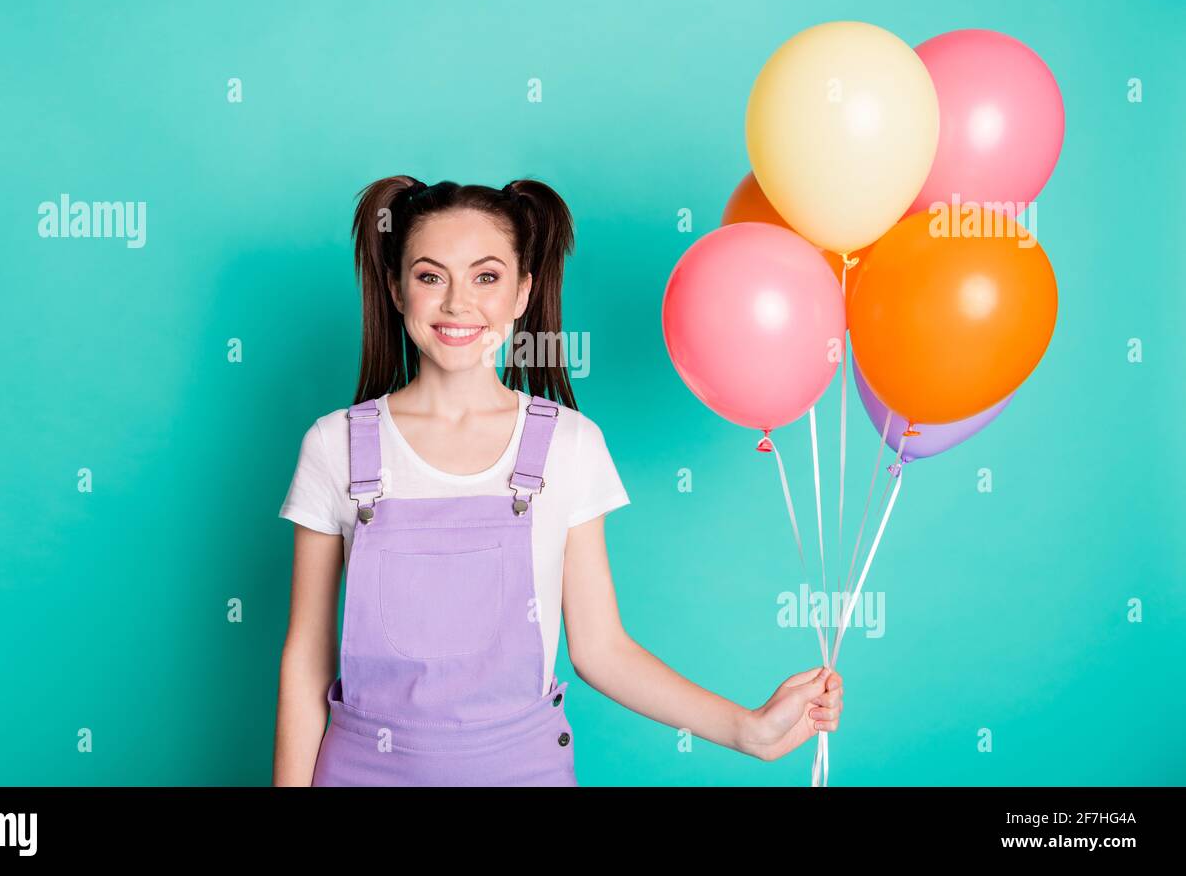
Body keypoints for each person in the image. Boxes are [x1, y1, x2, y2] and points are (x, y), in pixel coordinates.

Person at [272, 176, 843, 786]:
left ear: (523, 291)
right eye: (430, 276)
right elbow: (306, 662)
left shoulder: (568, 446)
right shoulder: (336, 445)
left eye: (485, 277)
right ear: (396, 288)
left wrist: (748, 729)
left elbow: (601, 649)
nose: (458, 303)